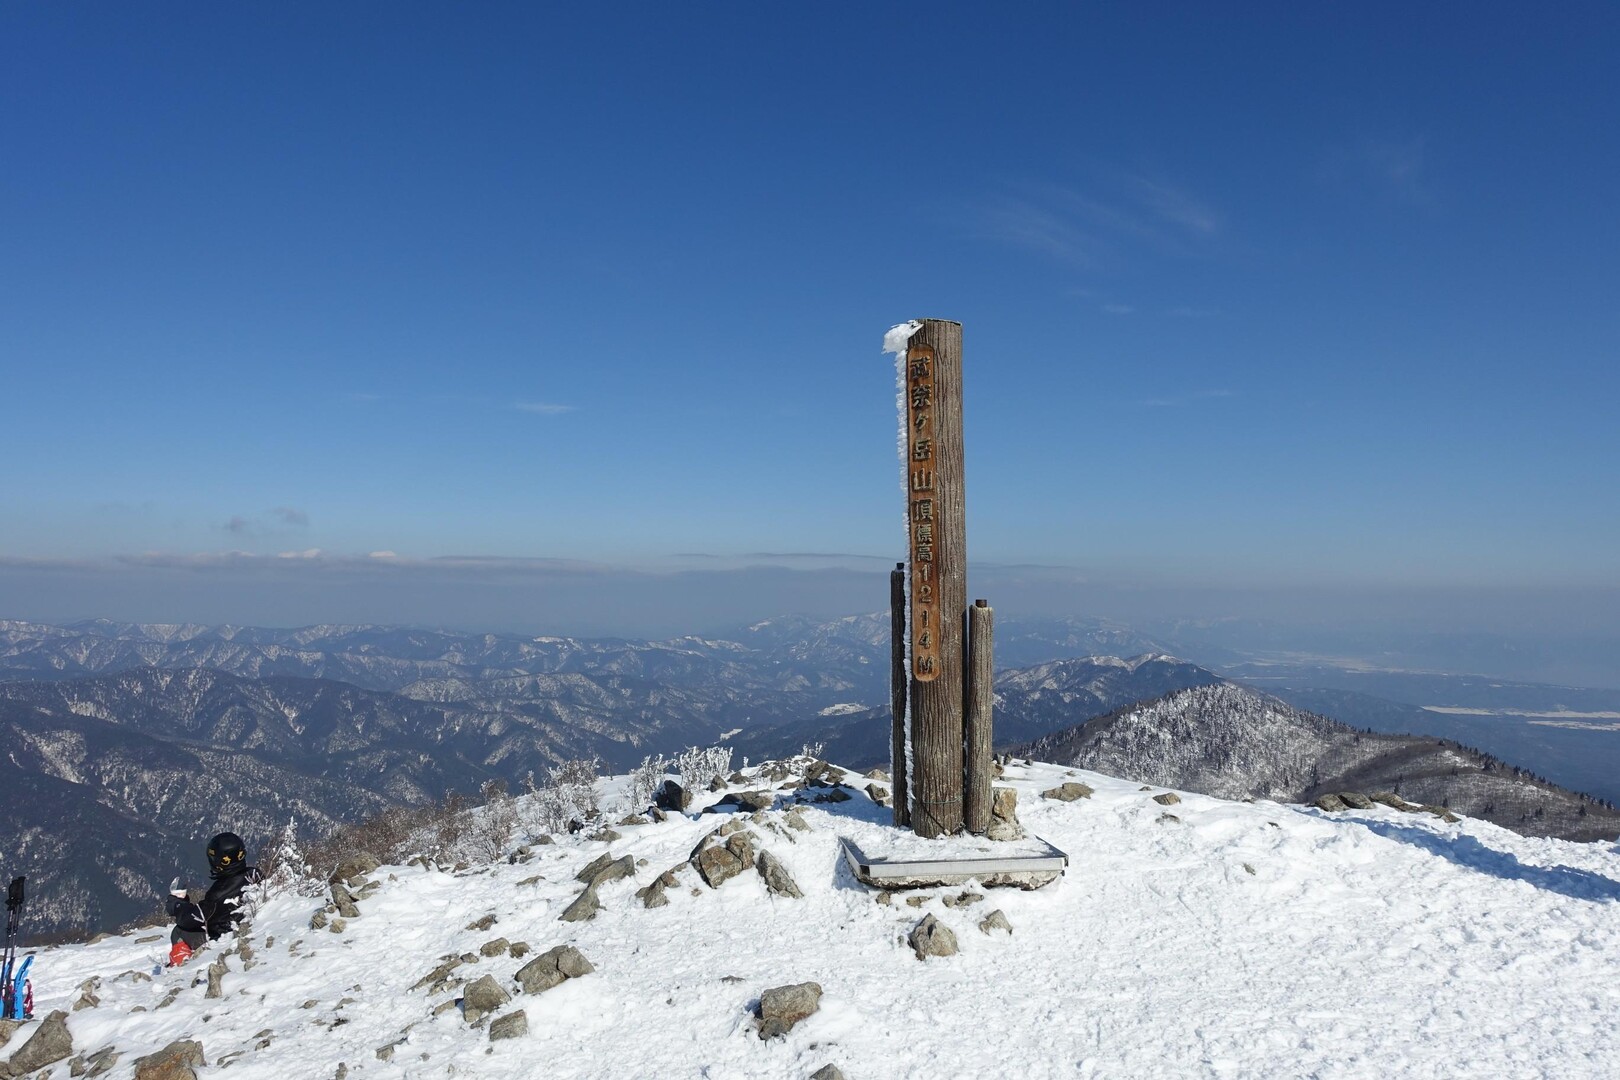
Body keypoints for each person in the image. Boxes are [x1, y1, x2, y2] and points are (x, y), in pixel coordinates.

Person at [166, 832, 262, 967]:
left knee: (179, 931)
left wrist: (177, 905)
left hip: (221, 938)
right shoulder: (255, 874)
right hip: (245, 930)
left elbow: (191, 919)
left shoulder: (219, 893)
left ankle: (181, 966)